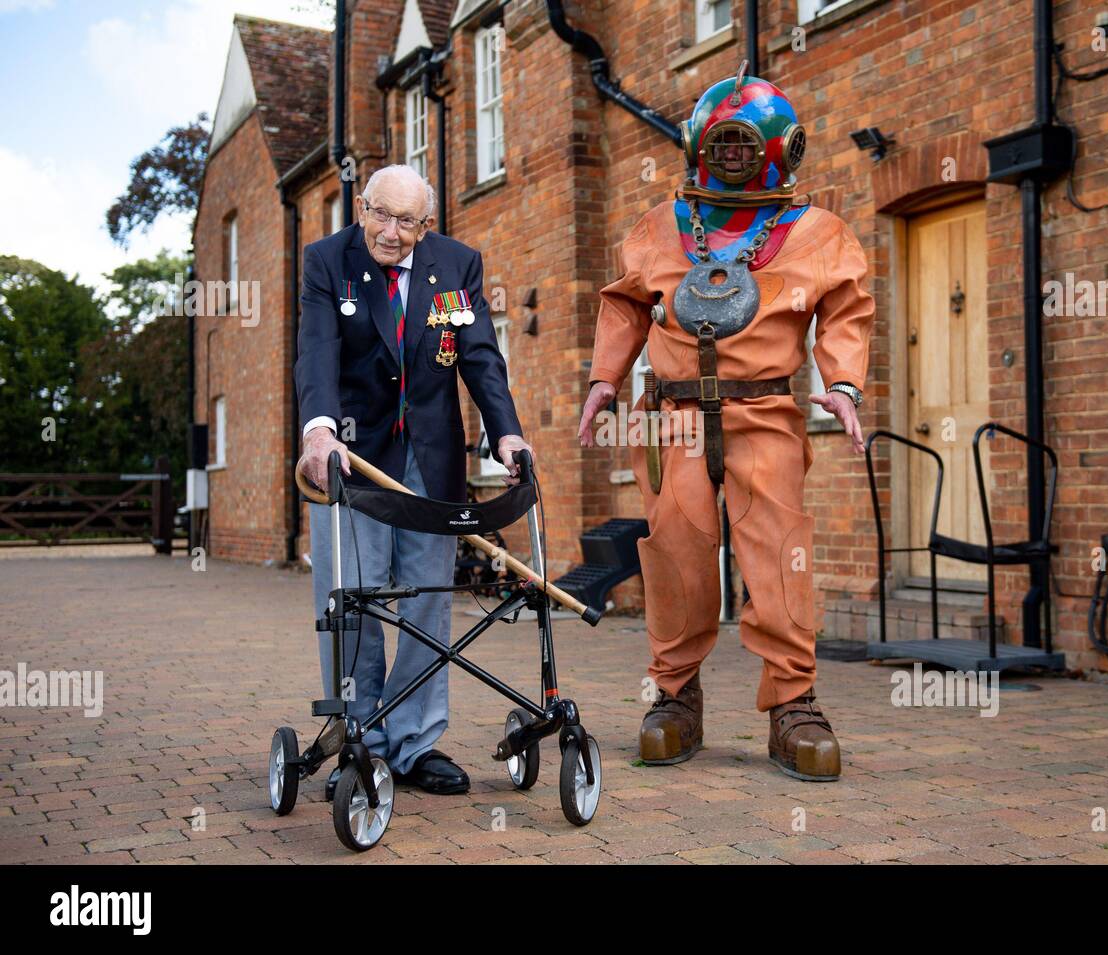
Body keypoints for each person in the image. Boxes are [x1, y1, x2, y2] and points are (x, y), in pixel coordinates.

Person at [578, 69, 874, 781]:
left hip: (765, 410)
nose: (734, 156)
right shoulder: (661, 227)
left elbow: (845, 310)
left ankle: (793, 703)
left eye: (745, 145)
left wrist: (841, 383)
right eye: (725, 143)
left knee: (777, 554)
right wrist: (603, 379)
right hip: (674, 413)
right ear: (699, 145)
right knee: (676, 551)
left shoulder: (818, 234)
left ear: (781, 149)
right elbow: (624, 305)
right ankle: (674, 695)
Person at [296, 163, 533, 796]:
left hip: (430, 459)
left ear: (426, 225)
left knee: (428, 600)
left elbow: (480, 353)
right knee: (354, 597)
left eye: (407, 221)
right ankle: (359, 738)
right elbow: (316, 350)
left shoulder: (457, 264)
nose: (391, 232)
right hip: (351, 458)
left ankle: (414, 742)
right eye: (380, 214)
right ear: (362, 207)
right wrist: (318, 431)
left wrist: (504, 429)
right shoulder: (327, 262)